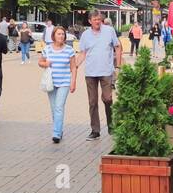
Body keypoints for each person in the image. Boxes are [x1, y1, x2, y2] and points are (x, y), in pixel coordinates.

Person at [78, 10, 121, 139]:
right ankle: (95, 130)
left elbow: (118, 47)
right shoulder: (85, 35)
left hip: (106, 71)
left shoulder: (109, 31)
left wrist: (118, 66)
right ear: (90, 21)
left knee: (108, 99)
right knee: (92, 102)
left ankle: (111, 125)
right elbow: (82, 53)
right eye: (94, 19)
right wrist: (75, 65)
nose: (97, 21)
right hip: (90, 72)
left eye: (99, 19)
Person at [39, 25, 79, 143]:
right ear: (53, 36)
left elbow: (74, 68)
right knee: (53, 108)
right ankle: (59, 129)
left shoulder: (69, 50)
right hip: (51, 83)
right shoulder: (47, 49)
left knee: (59, 107)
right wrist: (46, 64)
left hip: (64, 82)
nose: (61, 36)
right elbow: (40, 62)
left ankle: (56, 133)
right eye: (59, 34)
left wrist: (73, 82)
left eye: (63, 34)